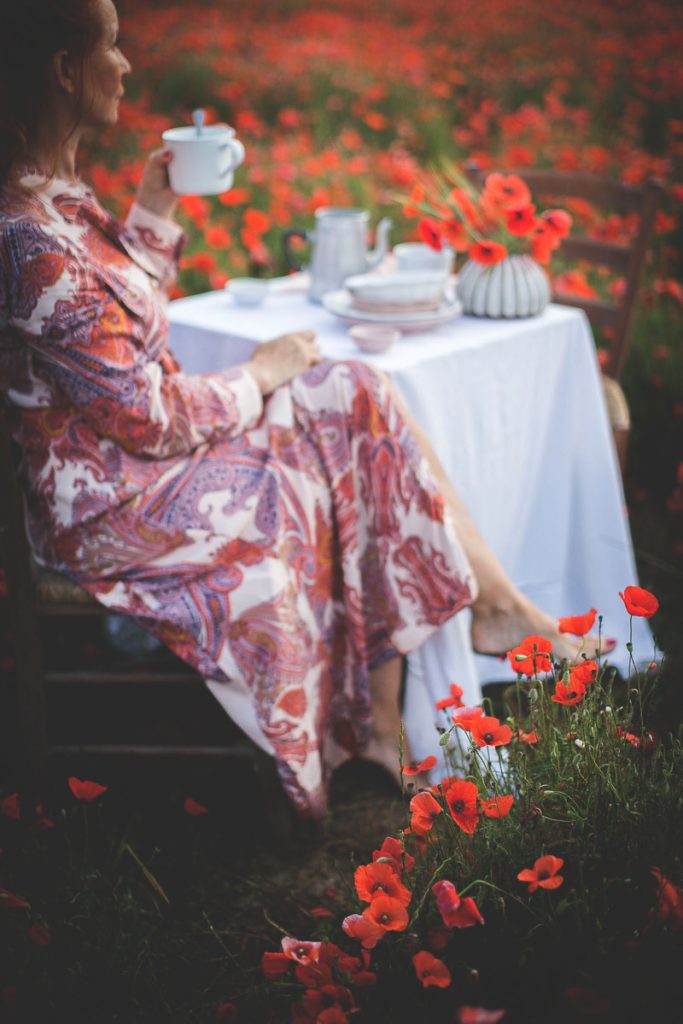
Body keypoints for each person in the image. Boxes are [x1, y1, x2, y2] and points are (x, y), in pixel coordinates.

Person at [0, 0, 612, 816]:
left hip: (140, 462)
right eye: (112, 46)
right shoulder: (26, 236)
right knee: (323, 461)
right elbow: (143, 415)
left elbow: (116, 324)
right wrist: (259, 373)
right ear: (64, 70)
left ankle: (416, 689)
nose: (127, 65)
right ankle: (415, 685)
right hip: (109, 503)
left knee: (350, 389)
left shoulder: (59, 198)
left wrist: (155, 210)